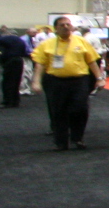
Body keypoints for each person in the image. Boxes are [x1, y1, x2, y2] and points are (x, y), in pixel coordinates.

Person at [31, 16, 104, 151]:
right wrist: (36, 81)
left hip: (79, 81)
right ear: (56, 29)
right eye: (62, 25)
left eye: (67, 24)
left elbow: (92, 61)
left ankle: (77, 138)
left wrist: (99, 78)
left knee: (80, 109)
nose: (66, 27)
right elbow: (40, 64)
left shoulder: (81, 42)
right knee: (58, 112)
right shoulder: (47, 44)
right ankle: (61, 141)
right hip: (55, 81)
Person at [0, 26, 27, 108]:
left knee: (8, 82)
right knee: (16, 82)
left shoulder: (8, 38)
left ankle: (7, 102)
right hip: (19, 61)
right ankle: (15, 101)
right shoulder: (21, 41)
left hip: (10, 61)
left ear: (8, 34)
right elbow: (24, 52)